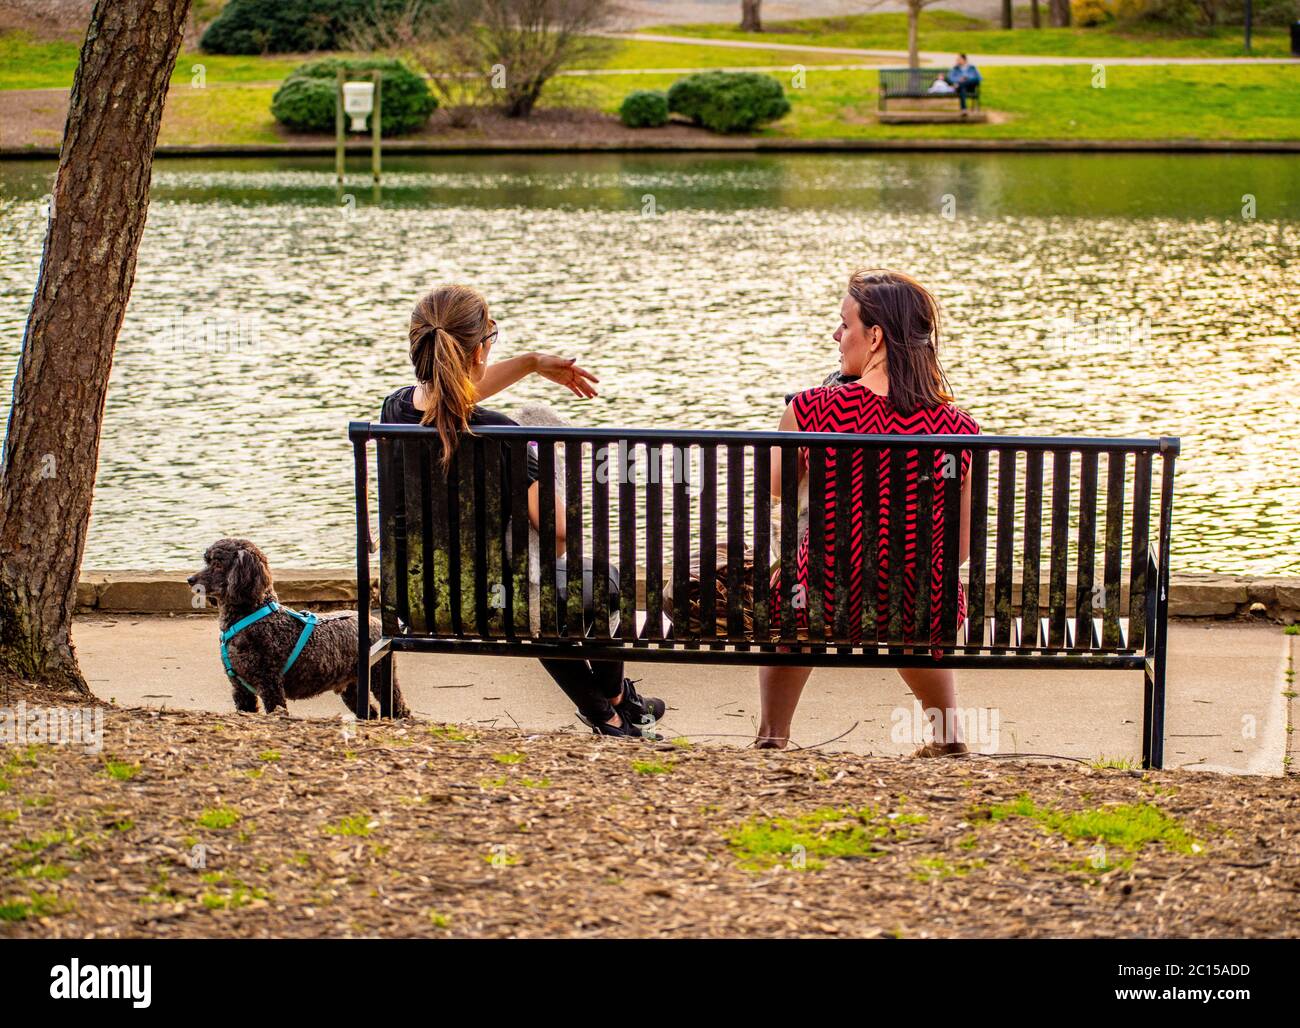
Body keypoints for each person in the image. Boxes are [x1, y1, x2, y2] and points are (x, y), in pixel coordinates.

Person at [380, 283, 666, 738]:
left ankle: (614, 713)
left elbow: (452, 397)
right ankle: (614, 702)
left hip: (420, 602)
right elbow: (556, 533)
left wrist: (532, 363)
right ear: (479, 352)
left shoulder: (392, 410)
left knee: (549, 594)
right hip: (497, 603)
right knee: (600, 583)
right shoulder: (500, 434)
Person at [756, 269, 979, 756]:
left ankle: (772, 737)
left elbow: (773, 489)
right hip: (922, 606)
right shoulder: (959, 427)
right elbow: (959, 550)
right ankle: (948, 736)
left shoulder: (813, 409)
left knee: (798, 588)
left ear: (875, 336)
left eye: (844, 325)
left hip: (820, 599)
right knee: (926, 589)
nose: (837, 337)